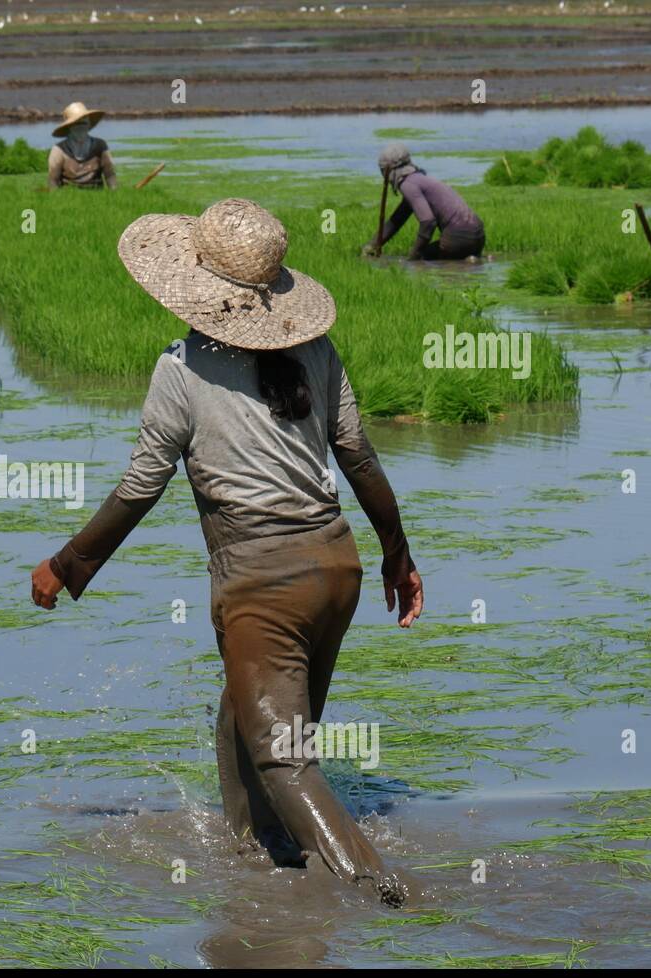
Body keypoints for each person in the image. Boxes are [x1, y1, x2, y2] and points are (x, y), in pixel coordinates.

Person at [30, 199, 423, 907]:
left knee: (283, 758)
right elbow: (358, 457)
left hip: (263, 582)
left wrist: (65, 566)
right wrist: (399, 556)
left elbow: (138, 489)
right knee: (241, 721)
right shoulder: (316, 350)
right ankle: (257, 868)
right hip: (337, 568)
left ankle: (385, 892)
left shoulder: (181, 369)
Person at [363, 142, 484, 261]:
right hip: (478, 238)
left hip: (459, 237)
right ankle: (468, 258)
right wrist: (372, 246)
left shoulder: (407, 184)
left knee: (422, 259)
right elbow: (396, 220)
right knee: (435, 256)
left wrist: (414, 256)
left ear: (388, 171)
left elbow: (428, 221)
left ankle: (459, 257)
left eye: (383, 171)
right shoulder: (418, 179)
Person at [47, 101, 117, 190]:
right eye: (77, 124)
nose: (81, 127)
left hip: (96, 194)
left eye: (84, 123)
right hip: (69, 195)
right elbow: (53, 180)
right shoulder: (59, 150)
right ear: (69, 127)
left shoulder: (100, 145)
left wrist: (114, 193)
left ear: (89, 125)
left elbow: (110, 174)